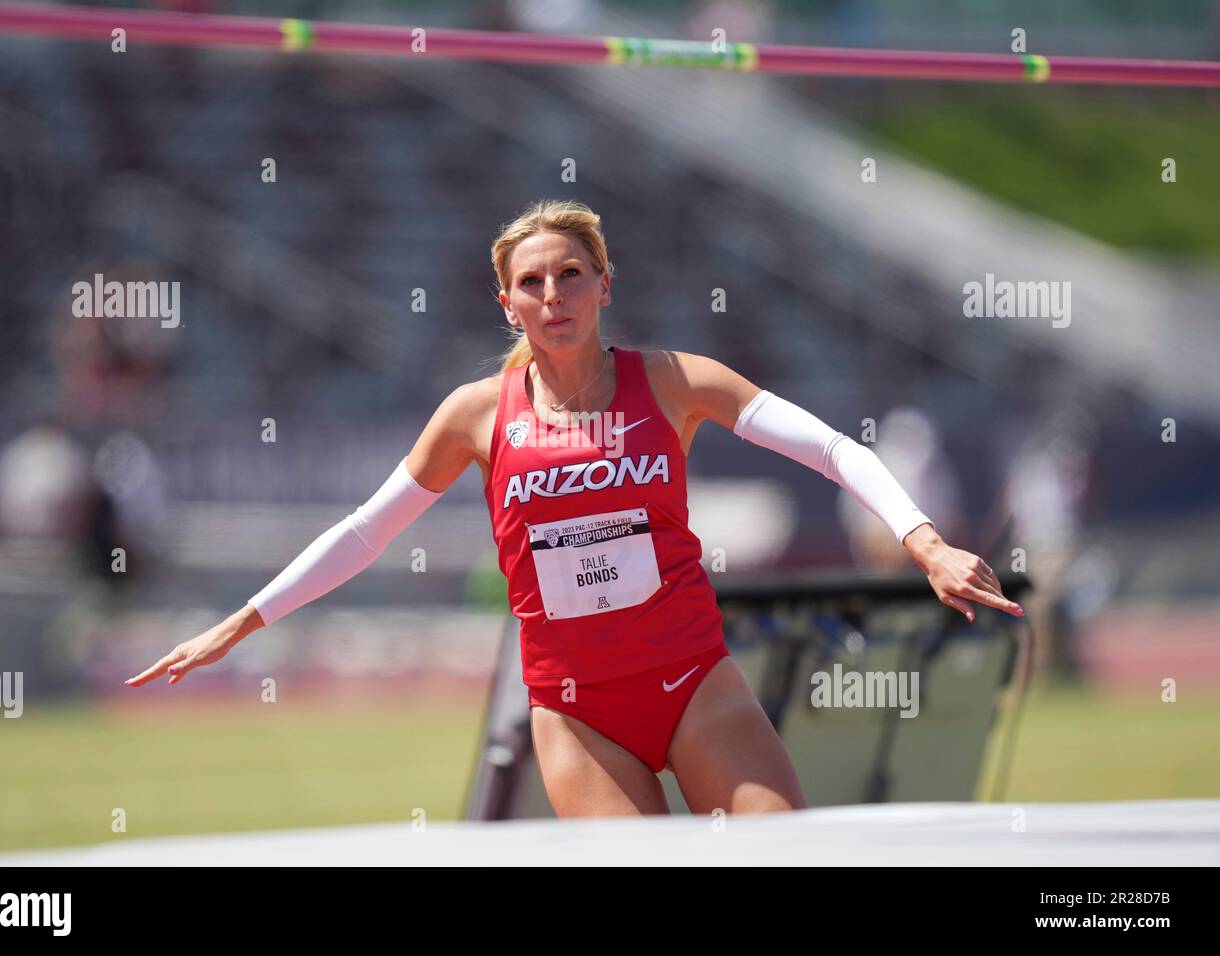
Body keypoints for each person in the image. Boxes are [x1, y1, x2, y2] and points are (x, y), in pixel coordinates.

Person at [127, 199, 1024, 817]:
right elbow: (366, 530)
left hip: (693, 686)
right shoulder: (476, 415)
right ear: (506, 302)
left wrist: (927, 544)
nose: (552, 297)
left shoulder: (675, 382)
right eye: (532, 283)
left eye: (570, 275)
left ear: (605, 284)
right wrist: (243, 621)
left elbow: (832, 446)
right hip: (577, 712)